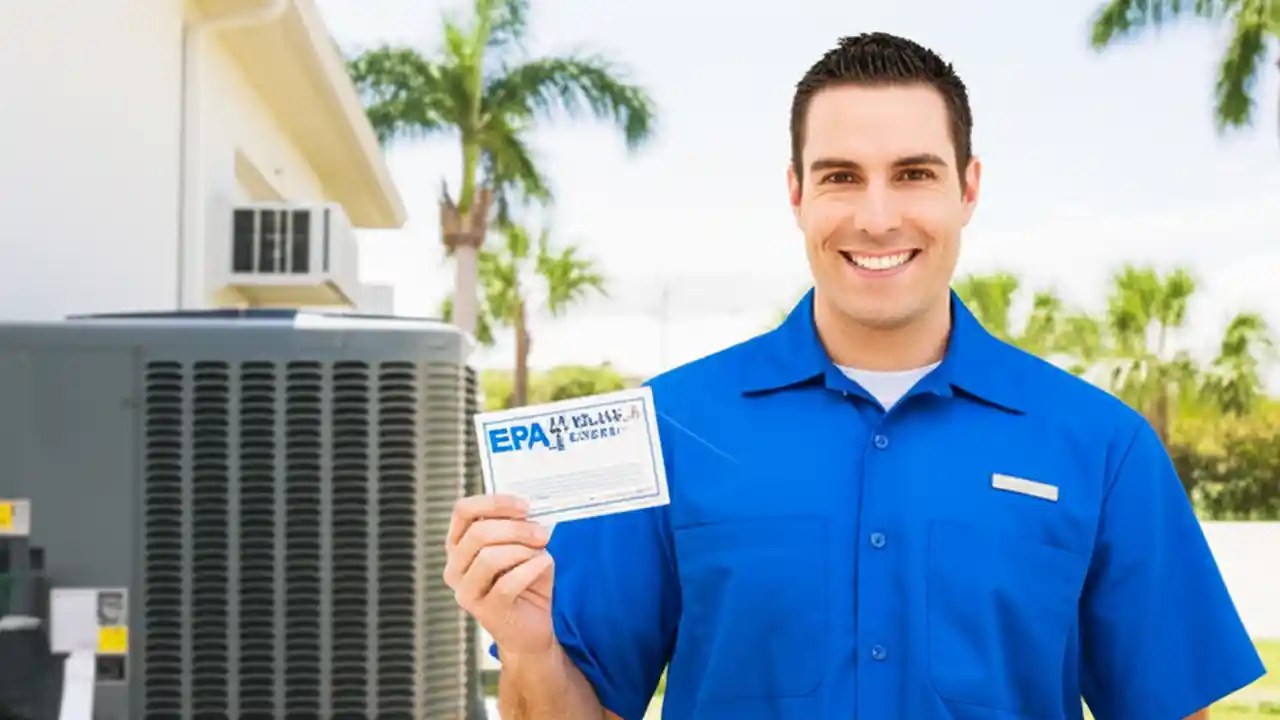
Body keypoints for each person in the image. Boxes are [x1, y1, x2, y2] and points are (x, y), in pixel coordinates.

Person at [444, 32, 1266, 720]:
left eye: (914, 173)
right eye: (841, 176)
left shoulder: (1102, 445)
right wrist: (528, 648)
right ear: (797, 194)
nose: (877, 216)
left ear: (967, 189)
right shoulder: (666, 427)